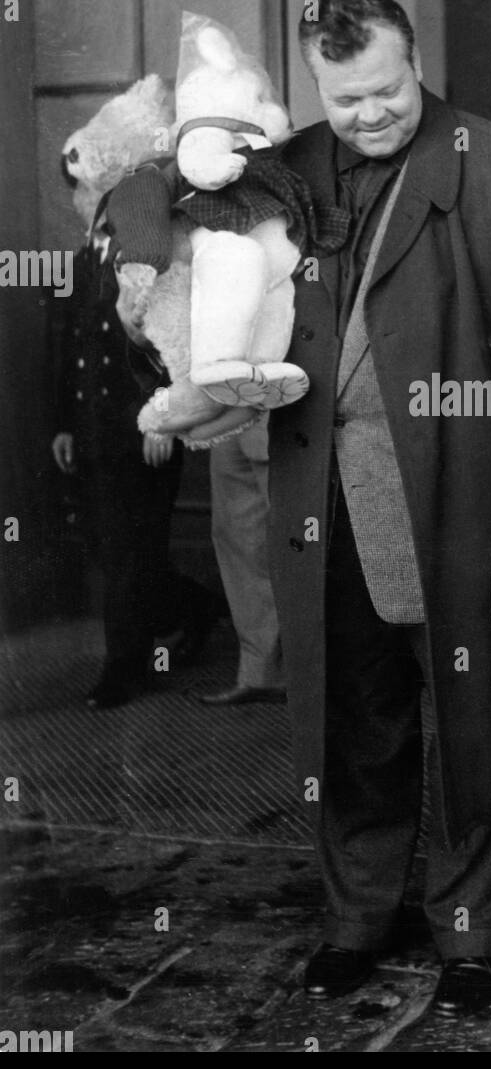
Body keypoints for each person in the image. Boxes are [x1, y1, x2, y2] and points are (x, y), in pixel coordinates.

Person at [268, 0, 491, 1016]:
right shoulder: (290, 171)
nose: (367, 114)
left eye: (386, 89)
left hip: (465, 498)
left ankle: (472, 931)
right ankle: (356, 918)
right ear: (314, 82)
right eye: (344, 96)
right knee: (355, 721)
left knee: (476, 721)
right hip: (331, 502)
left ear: (416, 60)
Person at [50, 225, 223, 709]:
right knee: (114, 552)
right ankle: (199, 607)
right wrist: (65, 424)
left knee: (129, 555)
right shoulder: (83, 261)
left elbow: (177, 343)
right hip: (93, 434)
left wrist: (163, 420)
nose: (85, 202)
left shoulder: (152, 255)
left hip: (144, 433)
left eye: (92, 190)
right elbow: (68, 345)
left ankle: (125, 670)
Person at [198, 419, 286, 705]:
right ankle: (261, 676)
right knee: (238, 539)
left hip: (281, 407)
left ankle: (309, 675)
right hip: (226, 412)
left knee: (295, 545)